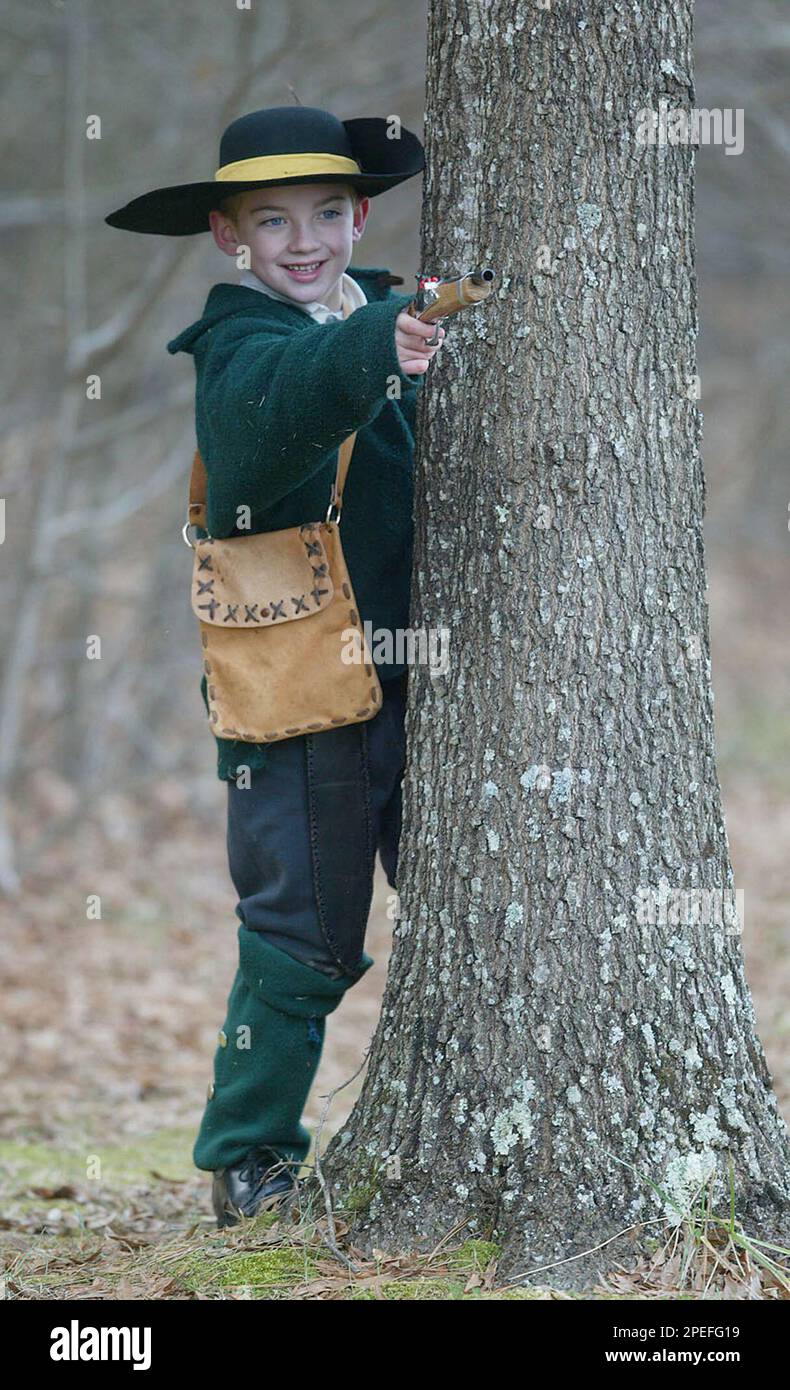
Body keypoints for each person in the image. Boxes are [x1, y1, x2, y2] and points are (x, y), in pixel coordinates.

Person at [105, 104, 444, 1227]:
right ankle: (248, 1154)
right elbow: (267, 422)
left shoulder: (387, 314)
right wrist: (375, 344)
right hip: (295, 690)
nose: (303, 240)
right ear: (227, 237)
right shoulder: (238, 341)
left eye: (326, 214)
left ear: (357, 217)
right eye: (271, 220)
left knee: (449, 896)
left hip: (417, 673)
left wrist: (393, 335)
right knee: (301, 929)